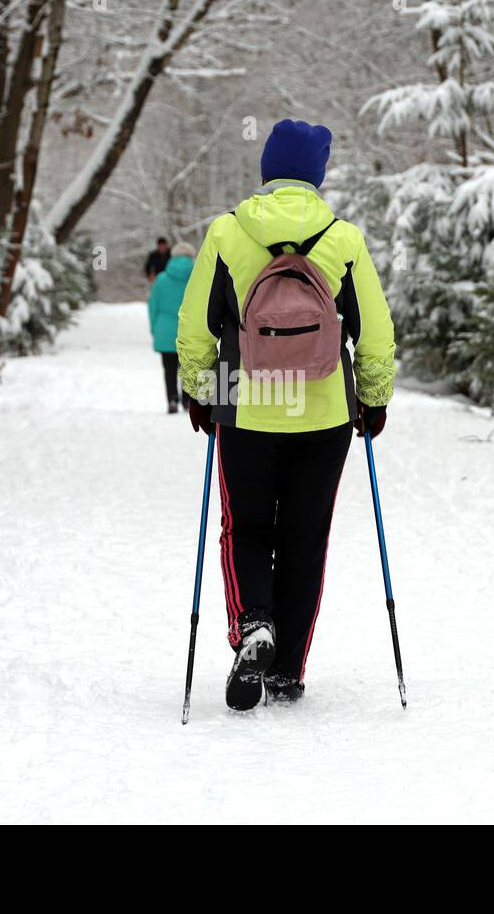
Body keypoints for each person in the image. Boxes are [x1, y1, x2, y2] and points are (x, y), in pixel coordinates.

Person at [176, 119, 396, 711]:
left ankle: (254, 627)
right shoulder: (343, 239)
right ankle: (289, 669)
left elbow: (196, 325)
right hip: (324, 413)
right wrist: (372, 398)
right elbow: (374, 332)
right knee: (306, 538)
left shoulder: (227, 232)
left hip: (244, 406)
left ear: (266, 171)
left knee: (244, 529)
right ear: (318, 175)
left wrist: (200, 391)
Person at [148, 241, 196, 413]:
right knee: (188, 367)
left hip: (165, 329)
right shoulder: (197, 278)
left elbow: (153, 306)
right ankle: (187, 400)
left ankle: (172, 400)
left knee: (169, 369)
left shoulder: (161, 279)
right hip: (188, 330)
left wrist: (154, 328)